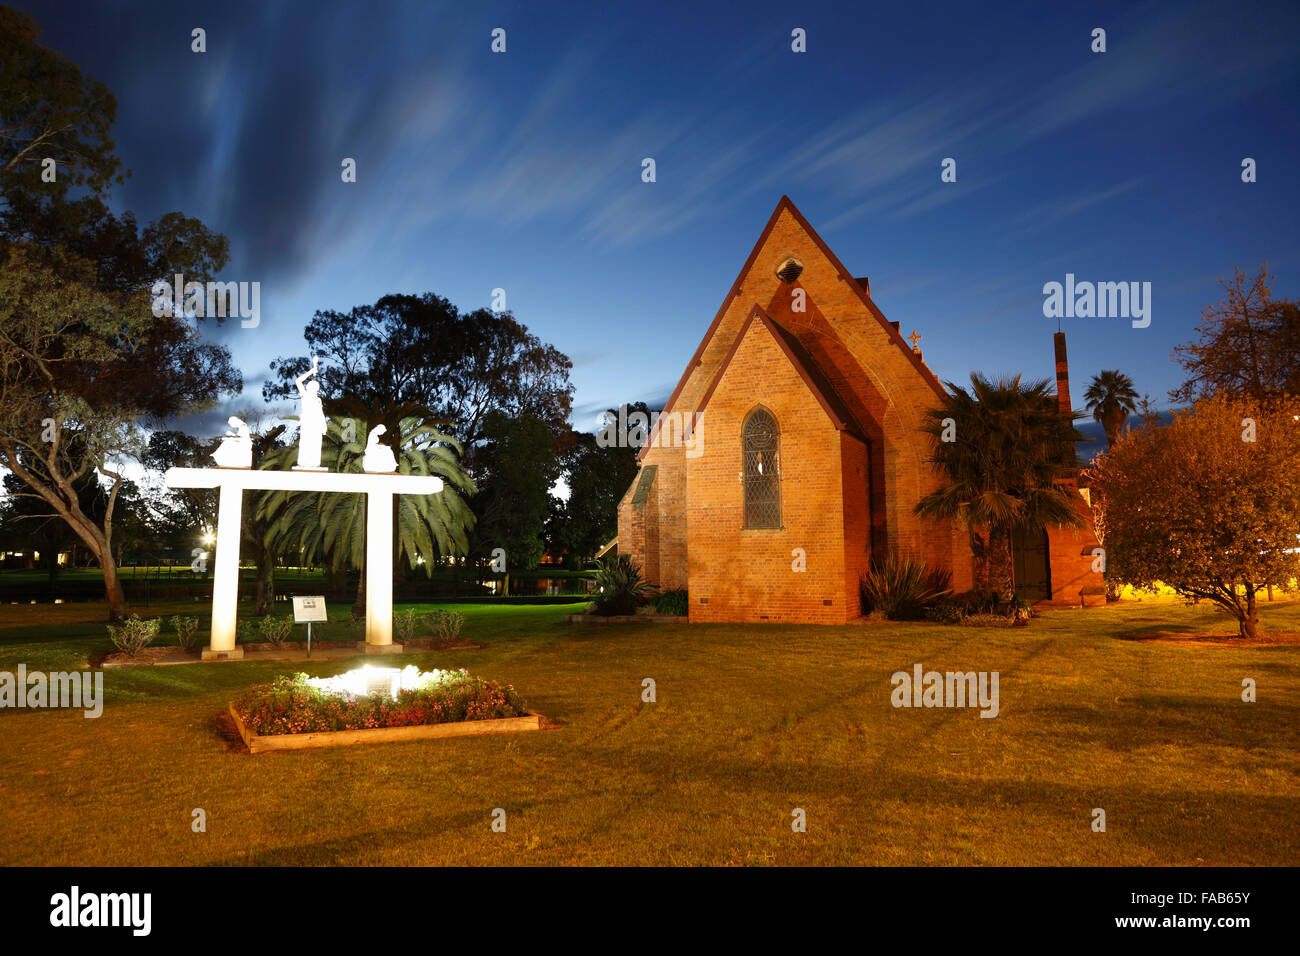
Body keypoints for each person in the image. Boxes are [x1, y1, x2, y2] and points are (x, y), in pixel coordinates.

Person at [294, 356, 328, 470]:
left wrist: (324, 425)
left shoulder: (318, 400)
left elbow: (321, 413)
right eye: (312, 385)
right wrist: (311, 371)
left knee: (315, 444)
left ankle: (314, 464)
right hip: (307, 422)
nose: (314, 387)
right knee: (305, 442)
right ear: (308, 387)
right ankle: (304, 463)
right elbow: (298, 381)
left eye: (316, 386)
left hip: (316, 424)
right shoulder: (304, 394)